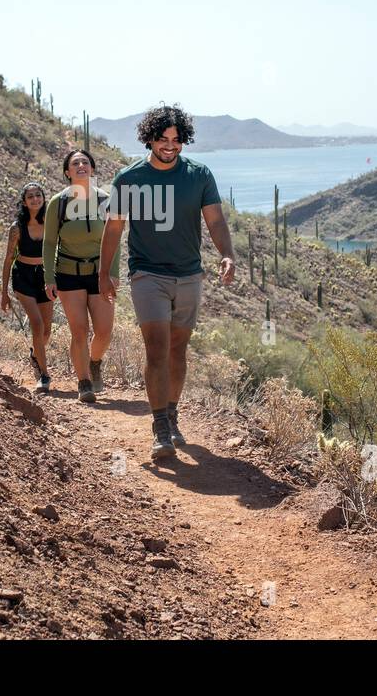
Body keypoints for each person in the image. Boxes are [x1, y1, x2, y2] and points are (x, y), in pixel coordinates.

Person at [99, 105, 235, 461]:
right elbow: (114, 227)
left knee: (178, 350)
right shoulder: (129, 178)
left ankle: (171, 413)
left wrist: (227, 254)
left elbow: (216, 221)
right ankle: (159, 426)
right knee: (156, 348)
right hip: (147, 274)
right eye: (163, 139)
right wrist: (104, 272)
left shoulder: (199, 175)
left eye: (177, 139)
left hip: (189, 274)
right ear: (150, 138)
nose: (170, 145)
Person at [43, 149, 118, 404]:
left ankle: (95, 362)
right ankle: (84, 382)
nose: (81, 165)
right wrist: (49, 277)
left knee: (105, 331)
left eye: (85, 162)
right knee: (79, 330)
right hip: (68, 273)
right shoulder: (58, 202)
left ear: (93, 169)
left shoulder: (106, 200)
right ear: (67, 172)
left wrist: (113, 273)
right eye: (75, 163)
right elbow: (50, 241)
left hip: (100, 274)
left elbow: (114, 239)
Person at [0, 183, 54, 393]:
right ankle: (44, 374)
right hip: (23, 278)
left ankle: (35, 355)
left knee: (47, 330)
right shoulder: (16, 228)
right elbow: (7, 260)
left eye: (38, 195)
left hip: (45, 276)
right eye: (30, 196)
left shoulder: (51, 223)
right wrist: (4, 292)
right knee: (37, 324)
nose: (35, 199)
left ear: (43, 198)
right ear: (24, 202)